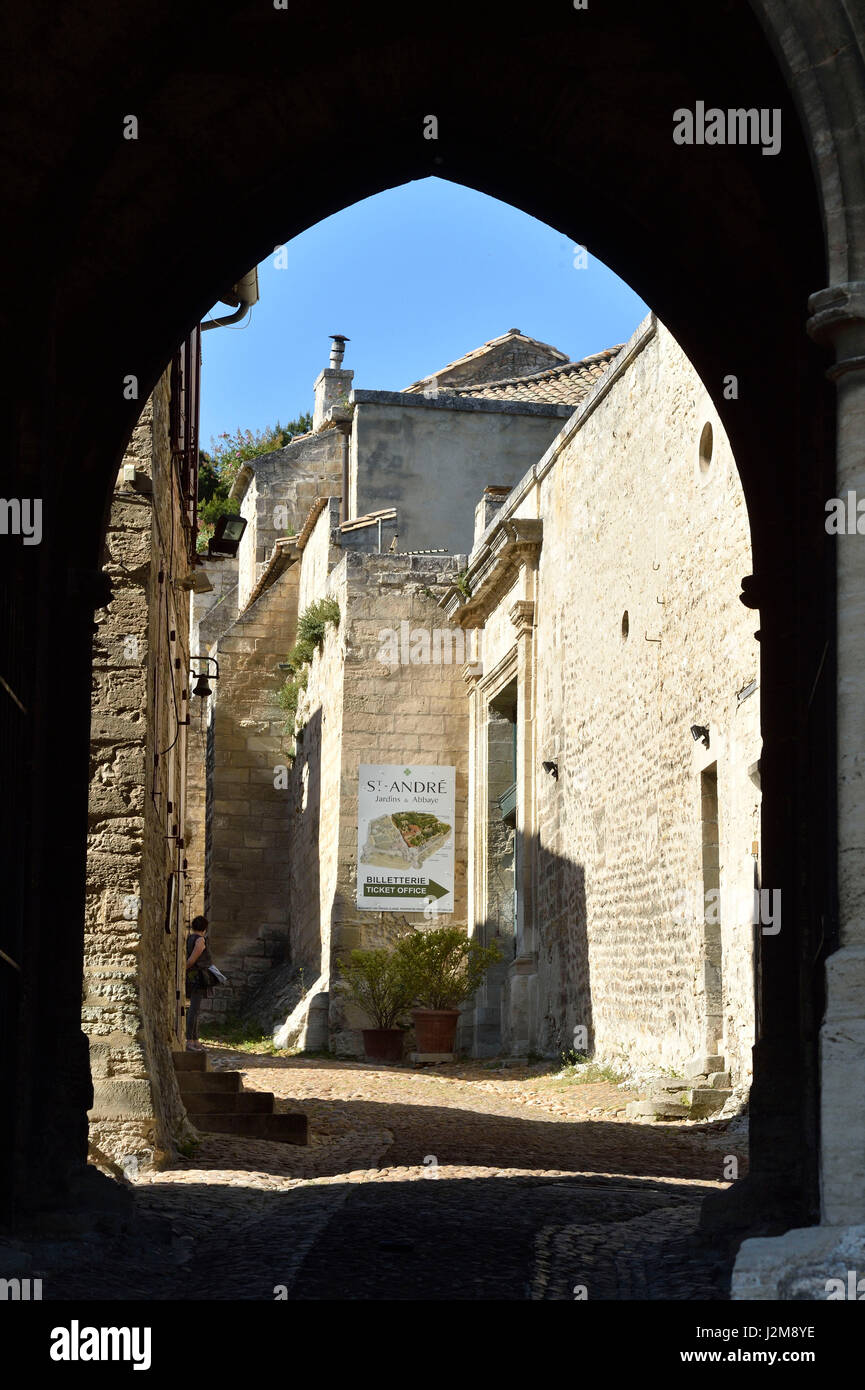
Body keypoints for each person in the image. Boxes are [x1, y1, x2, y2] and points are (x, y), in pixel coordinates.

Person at [185, 915, 214, 1051]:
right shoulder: (200, 940)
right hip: (197, 978)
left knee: (195, 1010)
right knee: (194, 1010)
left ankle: (195, 1040)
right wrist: (183, 969)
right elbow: (191, 960)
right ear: (204, 928)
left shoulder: (190, 938)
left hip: (193, 977)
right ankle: (190, 1040)